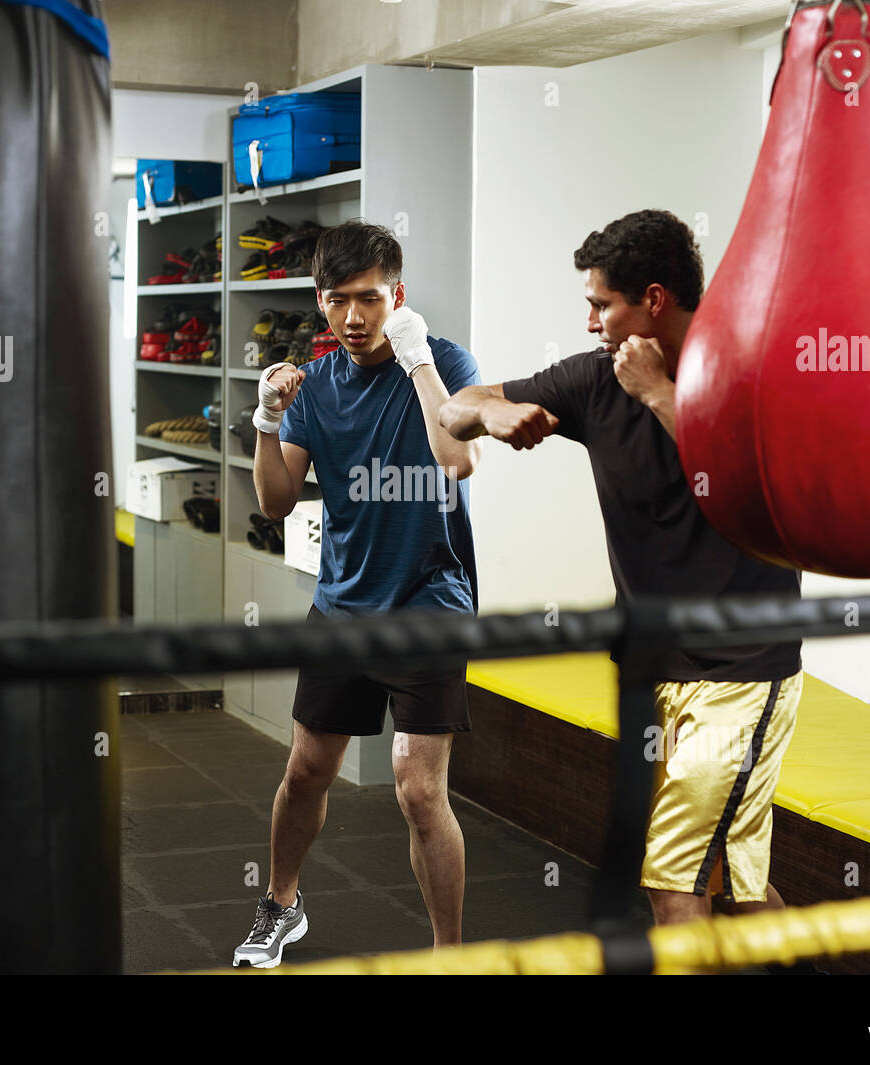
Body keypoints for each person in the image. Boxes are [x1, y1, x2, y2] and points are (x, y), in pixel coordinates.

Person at [438, 209, 803, 926]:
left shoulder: (747, 373)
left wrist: (660, 397)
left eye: (602, 304)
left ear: (655, 301)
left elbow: (746, 489)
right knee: (733, 883)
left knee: (673, 885)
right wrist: (492, 414)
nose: (591, 322)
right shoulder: (593, 381)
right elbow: (454, 410)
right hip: (660, 673)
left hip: (742, 670)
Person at [233, 220, 483, 967]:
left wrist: (417, 365)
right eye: (337, 300)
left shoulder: (444, 361)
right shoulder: (315, 387)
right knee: (306, 769)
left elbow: (459, 460)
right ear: (319, 301)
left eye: (369, 299)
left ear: (396, 296)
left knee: (417, 787)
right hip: (342, 603)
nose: (352, 317)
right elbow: (276, 503)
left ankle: (449, 953)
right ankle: (280, 905)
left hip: (431, 600)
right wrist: (267, 420)